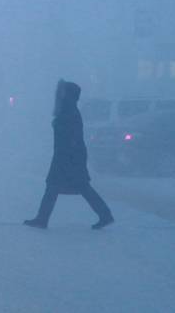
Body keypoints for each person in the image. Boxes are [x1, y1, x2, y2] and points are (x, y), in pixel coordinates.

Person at [24, 80, 114, 230]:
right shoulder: (69, 109)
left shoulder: (68, 111)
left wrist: (67, 157)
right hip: (69, 155)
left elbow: (70, 137)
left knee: (60, 186)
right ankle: (105, 215)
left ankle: (42, 219)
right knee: (73, 187)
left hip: (68, 156)